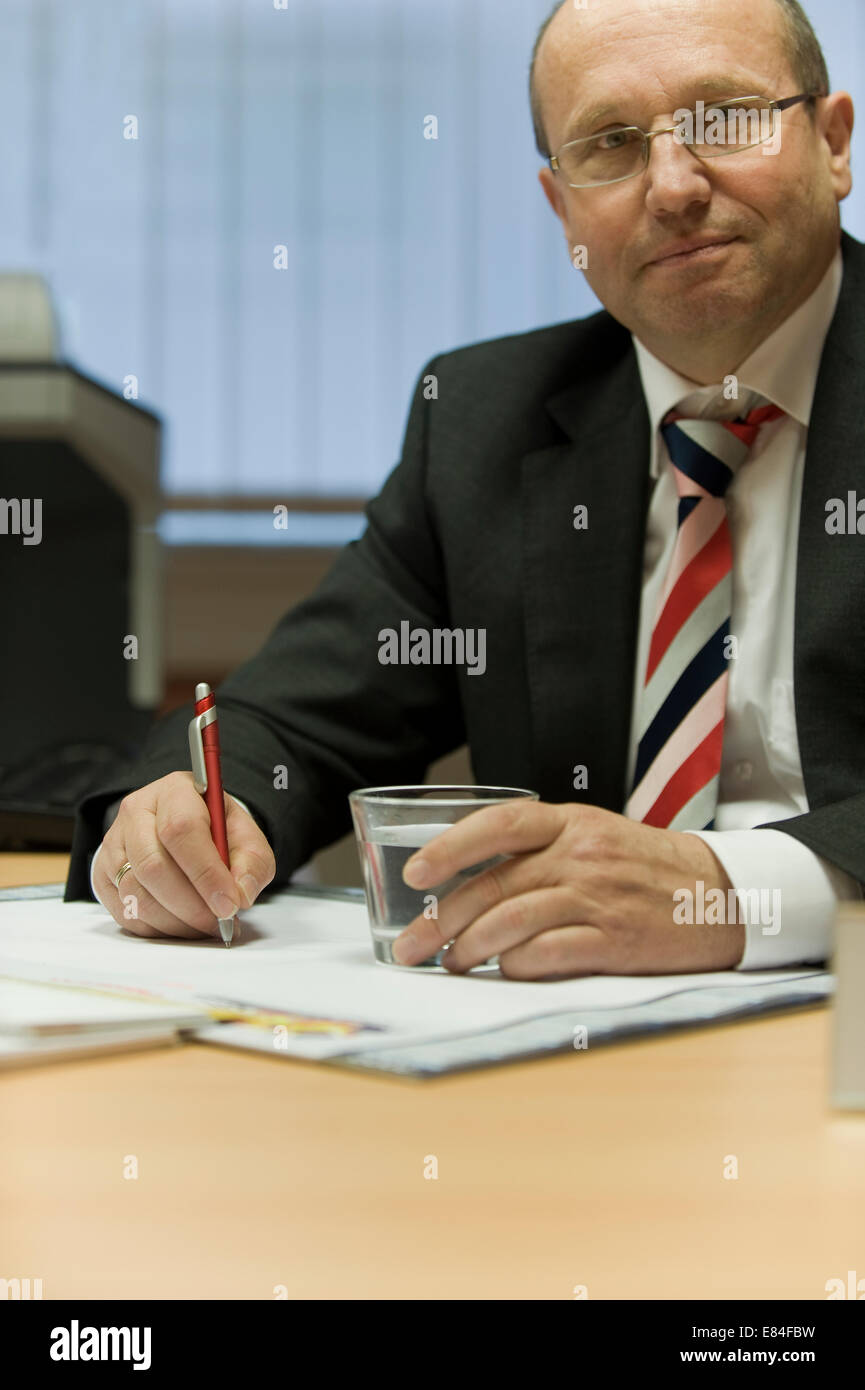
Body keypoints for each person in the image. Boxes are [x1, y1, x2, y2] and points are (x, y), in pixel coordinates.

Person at [68, 0, 864, 981]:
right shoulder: (488, 419)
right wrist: (192, 813)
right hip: (570, 1045)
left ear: (832, 142)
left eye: (722, 118)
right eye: (610, 145)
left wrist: (722, 892)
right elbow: (296, 724)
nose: (670, 185)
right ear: (561, 208)